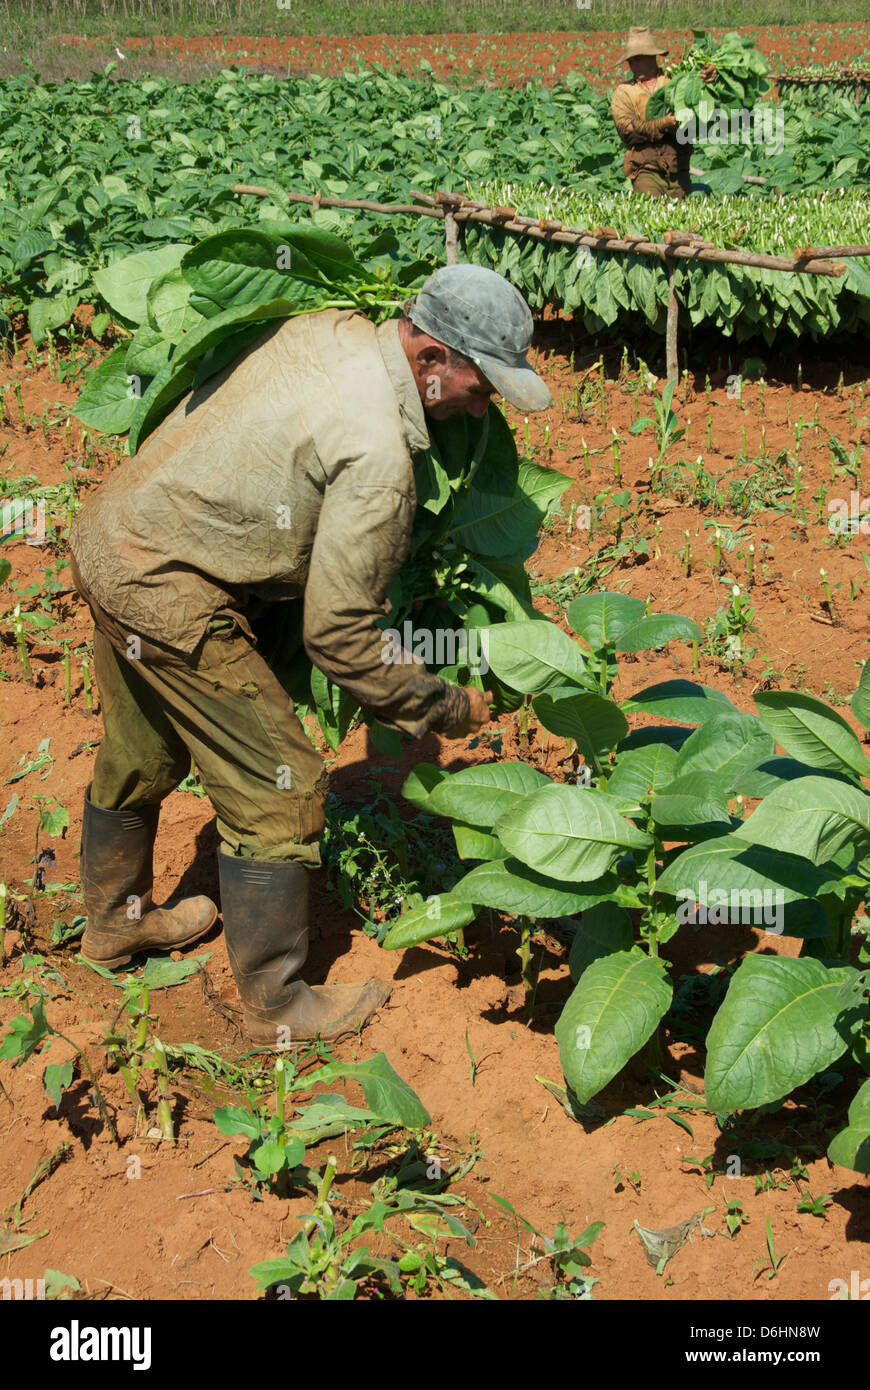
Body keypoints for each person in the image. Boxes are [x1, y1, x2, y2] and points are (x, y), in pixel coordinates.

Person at [68, 263, 553, 1046]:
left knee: (143, 745)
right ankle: (277, 1005)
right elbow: (341, 637)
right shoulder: (380, 457)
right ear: (430, 359)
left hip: (114, 532)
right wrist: (447, 705)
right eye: (479, 384)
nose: (484, 404)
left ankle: (114, 921)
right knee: (278, 784)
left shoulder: (328, 329)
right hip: (169, 586)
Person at [611, 26, 714, 201]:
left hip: (679, 171)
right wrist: (663, 123)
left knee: (680, 224)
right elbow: (628, 131)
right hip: (646, 171)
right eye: (631, 61)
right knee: (650, 218)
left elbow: (702, 114)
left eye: (638, 59)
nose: (633, 65)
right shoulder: (624, 92)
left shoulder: (675, 81)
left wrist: (710, 78)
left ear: (652, 57)